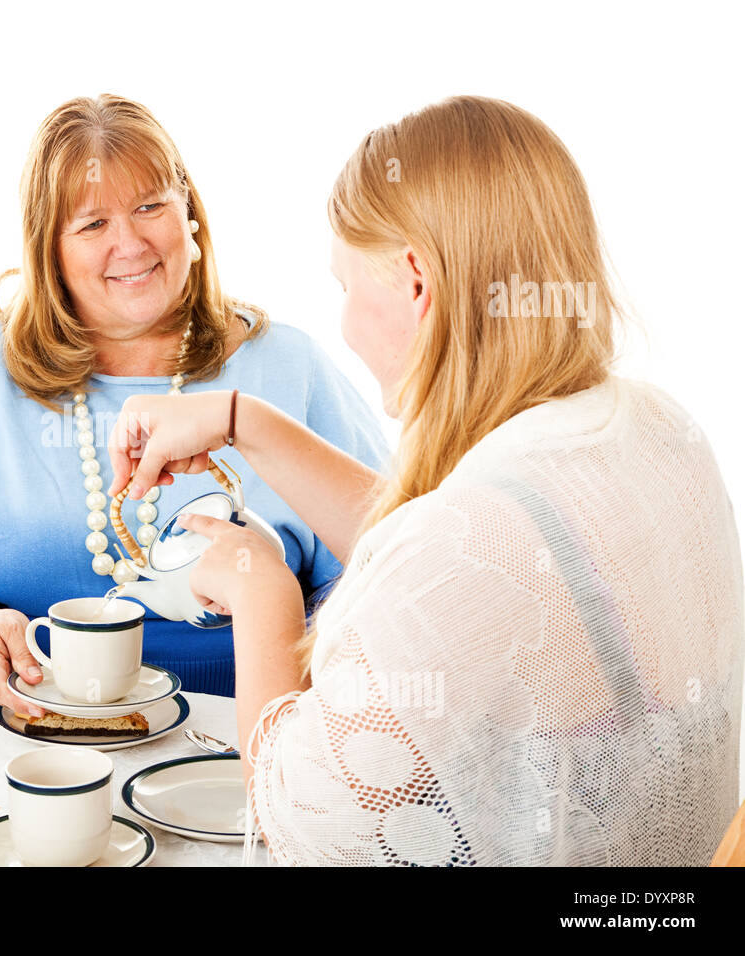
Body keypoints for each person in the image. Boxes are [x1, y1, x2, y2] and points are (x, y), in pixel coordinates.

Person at [107, 95, 744, 865]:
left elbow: (298, 821)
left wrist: (258, 591)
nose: (343, 323)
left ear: (415, 281)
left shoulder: (467, 543)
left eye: (345, 285)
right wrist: (243, 420)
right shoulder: (652, 428)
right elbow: (461, 563)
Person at [0, 94, 389, 714]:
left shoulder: (290, 367)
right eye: (92, 225)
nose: (131, 243)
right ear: (49, 251)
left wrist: (292, 658)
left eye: (150, 207)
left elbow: (391, 567)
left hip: (245, 737)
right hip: (34, 727)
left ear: (189, 219)